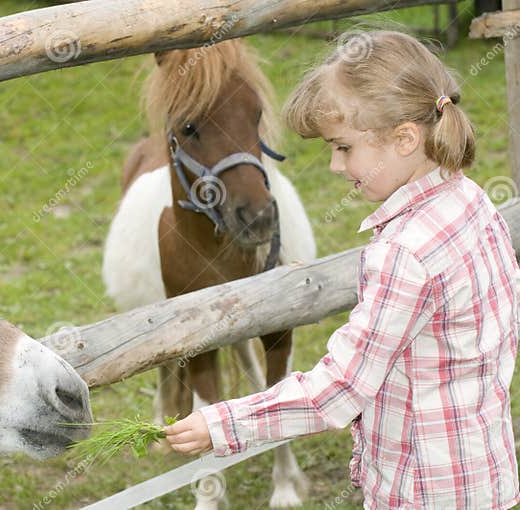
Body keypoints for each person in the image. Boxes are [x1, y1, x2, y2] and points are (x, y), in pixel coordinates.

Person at [164, 30, 520, 509]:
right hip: (481, 475)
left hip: (420, 491)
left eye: (343, 147)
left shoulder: (404, 254)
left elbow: (339, 390)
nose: (334, 165)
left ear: (405, 138)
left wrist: (222, 424)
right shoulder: (472, 202)